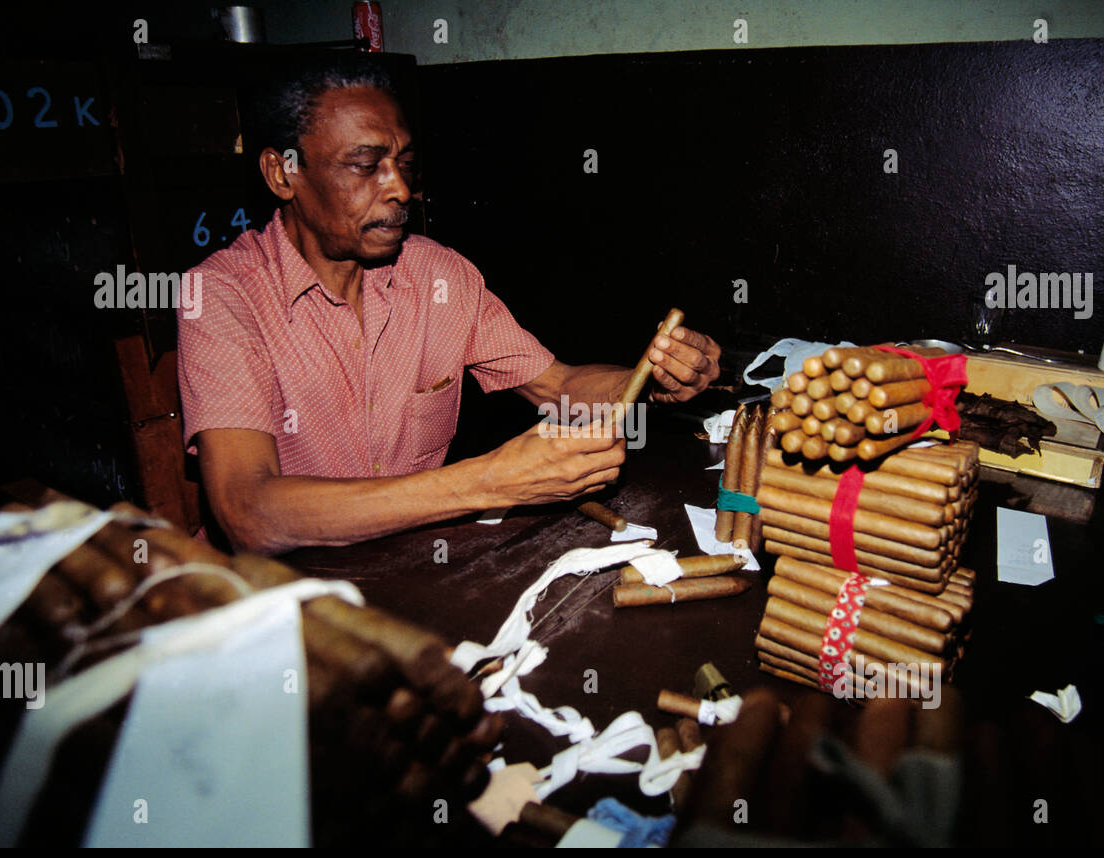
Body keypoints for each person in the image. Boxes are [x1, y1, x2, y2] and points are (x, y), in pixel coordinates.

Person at [177, 62, 721, 554]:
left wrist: (649, 379)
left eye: (404, 163)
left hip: (409, 567)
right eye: (365, 166)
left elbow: (559, 387)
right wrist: (487, 481)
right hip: (278, 597)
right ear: (282, 174)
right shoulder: (224, 296)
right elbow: (249, 514)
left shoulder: (439, 277)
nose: (398, 190)